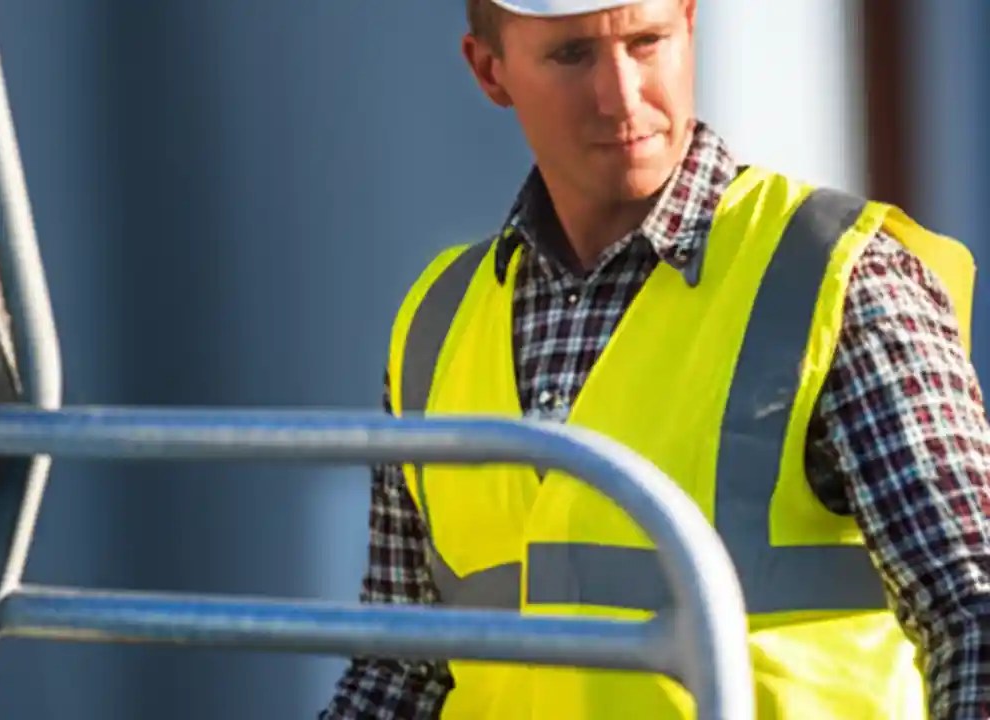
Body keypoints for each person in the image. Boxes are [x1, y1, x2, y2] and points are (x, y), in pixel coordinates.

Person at [321, 0, 990, 718]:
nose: (623, 95)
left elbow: (972, 612)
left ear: (690, 27)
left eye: (647, 41)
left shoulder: (836, 280)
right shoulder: (437, 323)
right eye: (573, 55)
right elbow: (401, 672)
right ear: (491, 71)